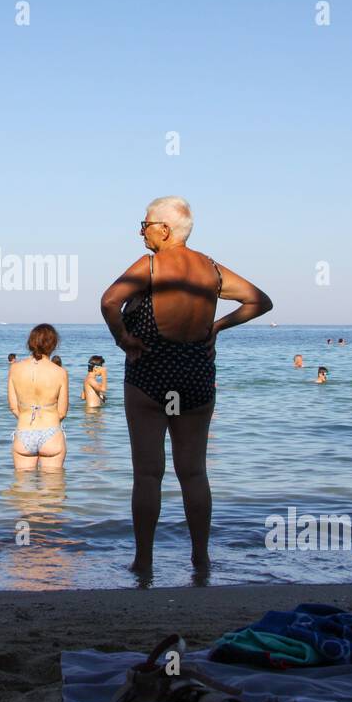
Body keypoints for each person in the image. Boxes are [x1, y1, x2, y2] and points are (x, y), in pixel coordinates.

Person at [100, 195, 272, 574]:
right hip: (195, 377)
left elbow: (110, 301)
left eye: (144, 224)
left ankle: (143, 561)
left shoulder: (150, 266)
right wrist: (217, 326)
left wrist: (124, 341)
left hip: (150, 375)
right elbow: (259, 302)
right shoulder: (211, 269)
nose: (140, 231)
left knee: (148, 474)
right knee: (193, 472)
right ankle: (201, 558)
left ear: (164, 229)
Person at [9, 324, 68, 471]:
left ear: (30, 342)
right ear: (53, 344)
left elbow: (13, 407)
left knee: (22, 490)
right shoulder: (60, 372)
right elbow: (62, 412)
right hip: (51, 433)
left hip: (24, 431)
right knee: (53, 490)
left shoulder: (15, 369)